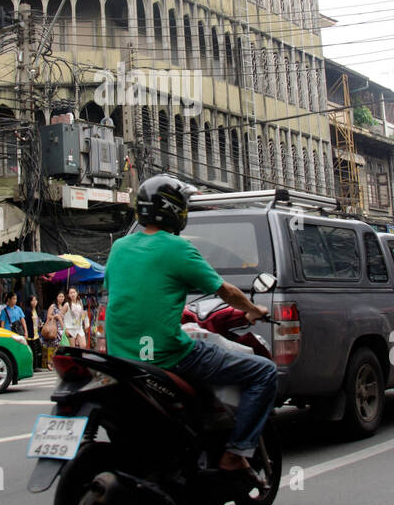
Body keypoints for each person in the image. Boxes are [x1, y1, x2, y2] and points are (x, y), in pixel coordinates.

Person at [104, 173, 277, 481]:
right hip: (168, 357)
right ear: (174, 210)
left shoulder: (119, 248)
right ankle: (236, 454)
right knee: (264, 372)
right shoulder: (177, 248)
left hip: (120, 357)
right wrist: (252, 310)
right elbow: (226, 292)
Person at [25, 294, 43, 369]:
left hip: (36, 333)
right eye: (33, 300)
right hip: (31, 333)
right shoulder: (28, 311)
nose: (35, 302)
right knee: (32, 350)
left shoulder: (36, 310)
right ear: (29, 302)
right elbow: (26, 322)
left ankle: (37, 365)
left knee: (38, 349)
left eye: (36, 300)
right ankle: (33, 366)